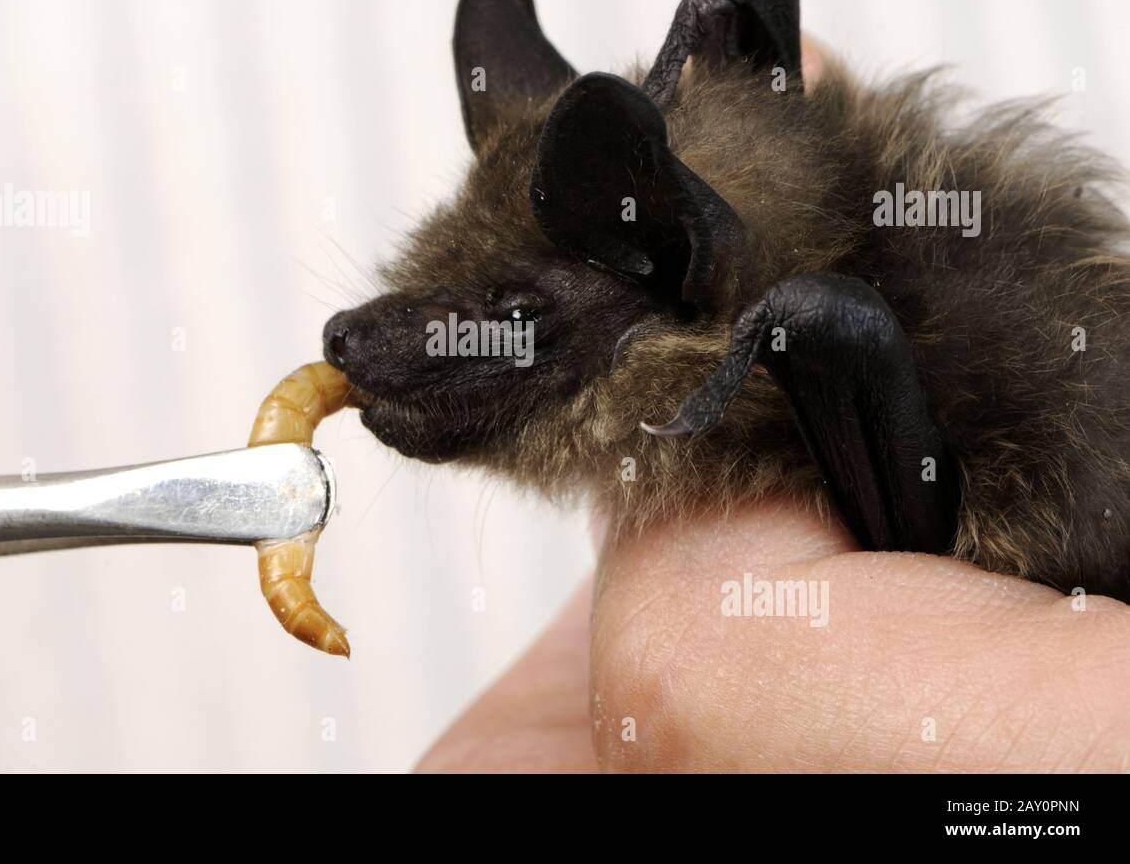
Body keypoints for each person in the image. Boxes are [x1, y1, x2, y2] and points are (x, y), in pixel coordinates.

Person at [415, 39, 1130, 773]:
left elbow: (828, 317)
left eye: (518, 316)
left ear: (675, 293)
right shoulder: (818, 299)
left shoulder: (799, 339)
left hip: (1046, 507)